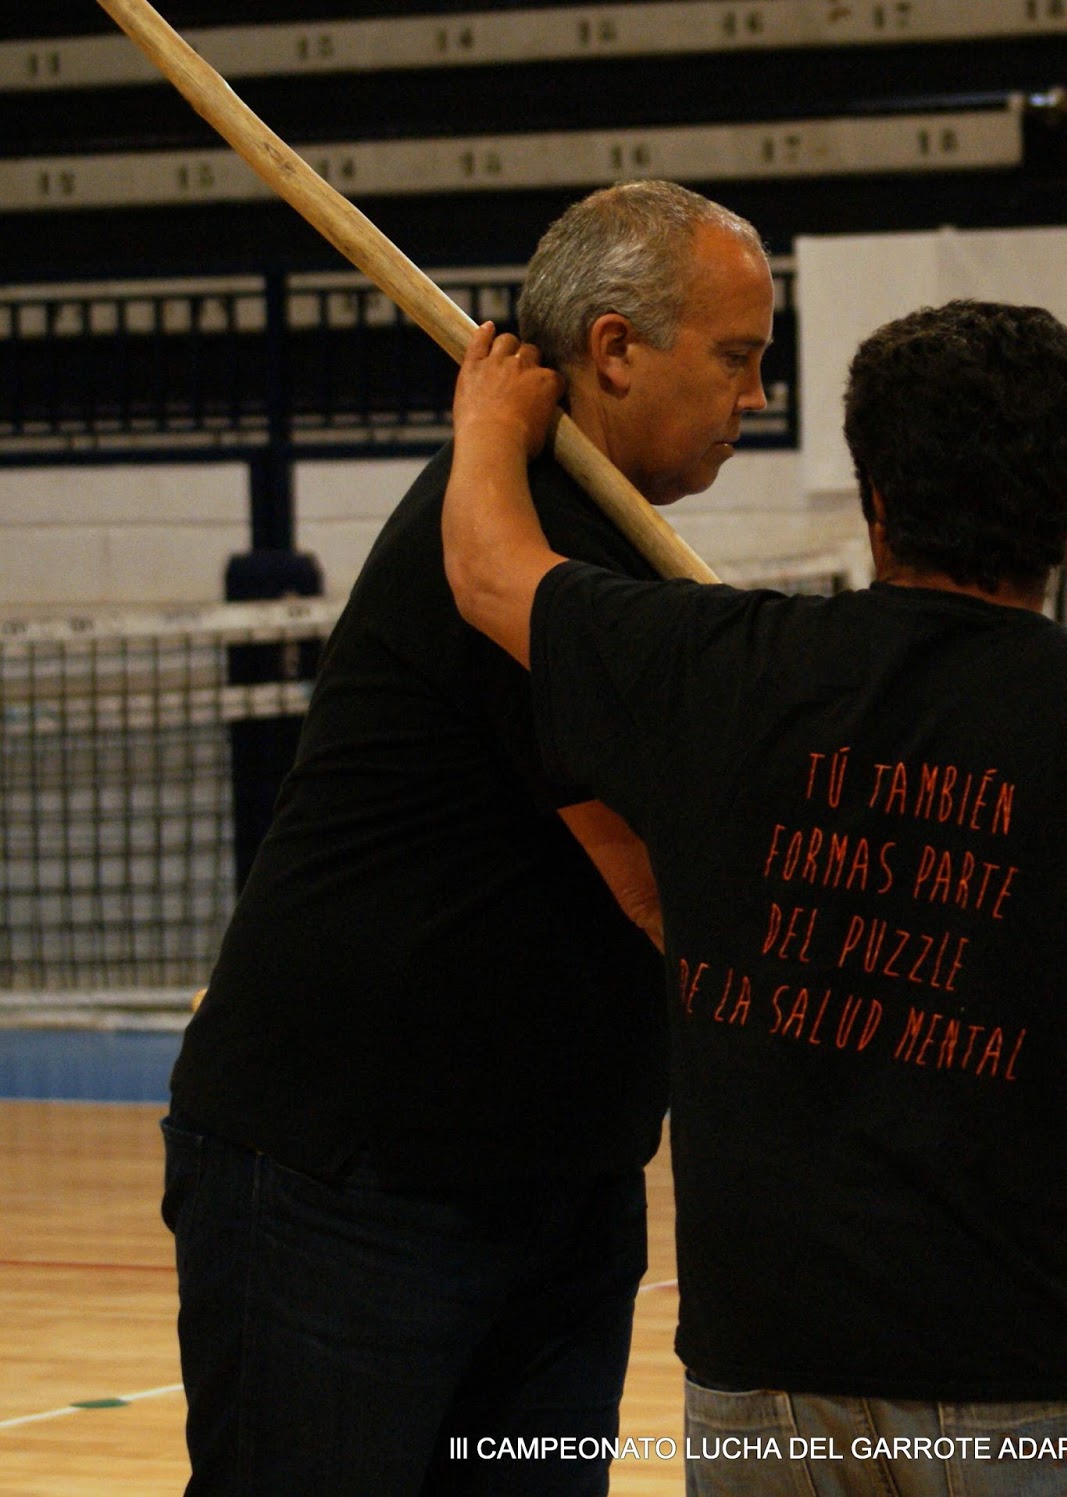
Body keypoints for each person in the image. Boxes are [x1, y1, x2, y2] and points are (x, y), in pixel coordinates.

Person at [440, 302, 1067, 1497]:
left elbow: (488, 571)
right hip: (1041, 1388)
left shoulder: (714, 667)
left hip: (765, 1390)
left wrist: (488, 425)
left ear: (874, 496)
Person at [162, 180, 773, 1495]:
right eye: (738, 357)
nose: (757, 395)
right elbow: (665, 890)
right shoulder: (512, 545)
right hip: (354, 1182)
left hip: (555, 1184)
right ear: (614, 347)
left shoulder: (600, 552)